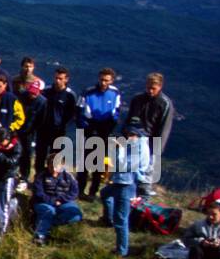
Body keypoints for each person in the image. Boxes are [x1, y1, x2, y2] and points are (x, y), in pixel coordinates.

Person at [100, 118, 151, 257]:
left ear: (138, 134)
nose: (128, 136)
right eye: (127, 133)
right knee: (104, 194)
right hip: (119, 180)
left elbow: (125, 164)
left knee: (121, 219)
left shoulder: (140, 148)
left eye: (131, 134)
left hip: (127, 185)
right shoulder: (134, 143)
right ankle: (107, 218)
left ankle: (121, 251)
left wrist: (119, 149)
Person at [78, 67, 122, 199]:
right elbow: (79, 110)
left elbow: (116, 112)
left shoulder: (115, 93)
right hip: (89, 129)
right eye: (102, 79)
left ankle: (93, 192)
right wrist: (85, 128)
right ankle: (80, 190)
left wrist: (108, 130)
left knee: (99, 164)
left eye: (107, 80)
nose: (104, 83)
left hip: (104, 130)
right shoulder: (88, 92)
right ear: (99, 78)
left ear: (112, 80)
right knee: (84, 163)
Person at [126, 72, 174, 191]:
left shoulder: (165, 104)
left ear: (160, 87)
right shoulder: (137, 99)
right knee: (129, 173)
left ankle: (143, 201)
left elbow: (164, 129)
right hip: (133, 141)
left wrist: (156, 150)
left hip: (151, 144)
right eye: (148, 87)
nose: (150, 91)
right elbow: (129, 119)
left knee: (146, 177)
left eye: (153, 88)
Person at [35, 67, 78, 182]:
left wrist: (61, 124)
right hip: (43, 129)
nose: (57, 80)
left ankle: (52, 178)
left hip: (58, 131)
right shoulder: (46, 91)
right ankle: (38, 178)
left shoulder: (70, 95)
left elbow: (72, 114)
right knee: (40, 155)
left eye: (60, 78)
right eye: (56, 78)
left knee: (55, 156)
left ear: (66, 79)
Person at [31, 153, 82, 245]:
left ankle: (48, 224)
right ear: (48, 164)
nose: (54, 168)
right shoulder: (41, 176)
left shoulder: (69, 176)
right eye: (51, 165)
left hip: (63, 202)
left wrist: (61, 200)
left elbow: (74, 192)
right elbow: (38, 193)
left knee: (76, 215)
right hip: (44, 202)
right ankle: (40, 235)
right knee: (48, 211)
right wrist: (53, 201)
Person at [15, 78, 47, 181]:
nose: (31, 95)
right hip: (17, 128)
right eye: (30, 93)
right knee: (15, 151)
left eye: (34, 93)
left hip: (29, 132)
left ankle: (24, 176)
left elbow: (41, 120)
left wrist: (32, 130)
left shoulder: (42, 102)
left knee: (26, 154)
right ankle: (14, 173)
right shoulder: (22, 96)